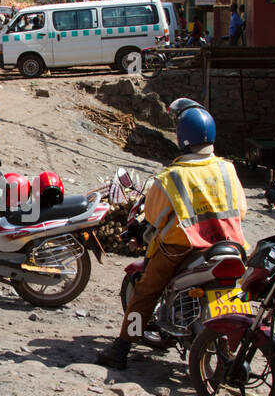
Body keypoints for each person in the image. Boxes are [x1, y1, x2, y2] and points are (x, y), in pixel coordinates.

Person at [97, 107, 248, 369]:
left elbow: (153, 216)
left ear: (181, 138)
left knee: (146, 291)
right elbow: (242, 211)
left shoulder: (172, 177)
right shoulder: (228, 169)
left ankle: (121, 348)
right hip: (231, 246)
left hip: (183, 248)